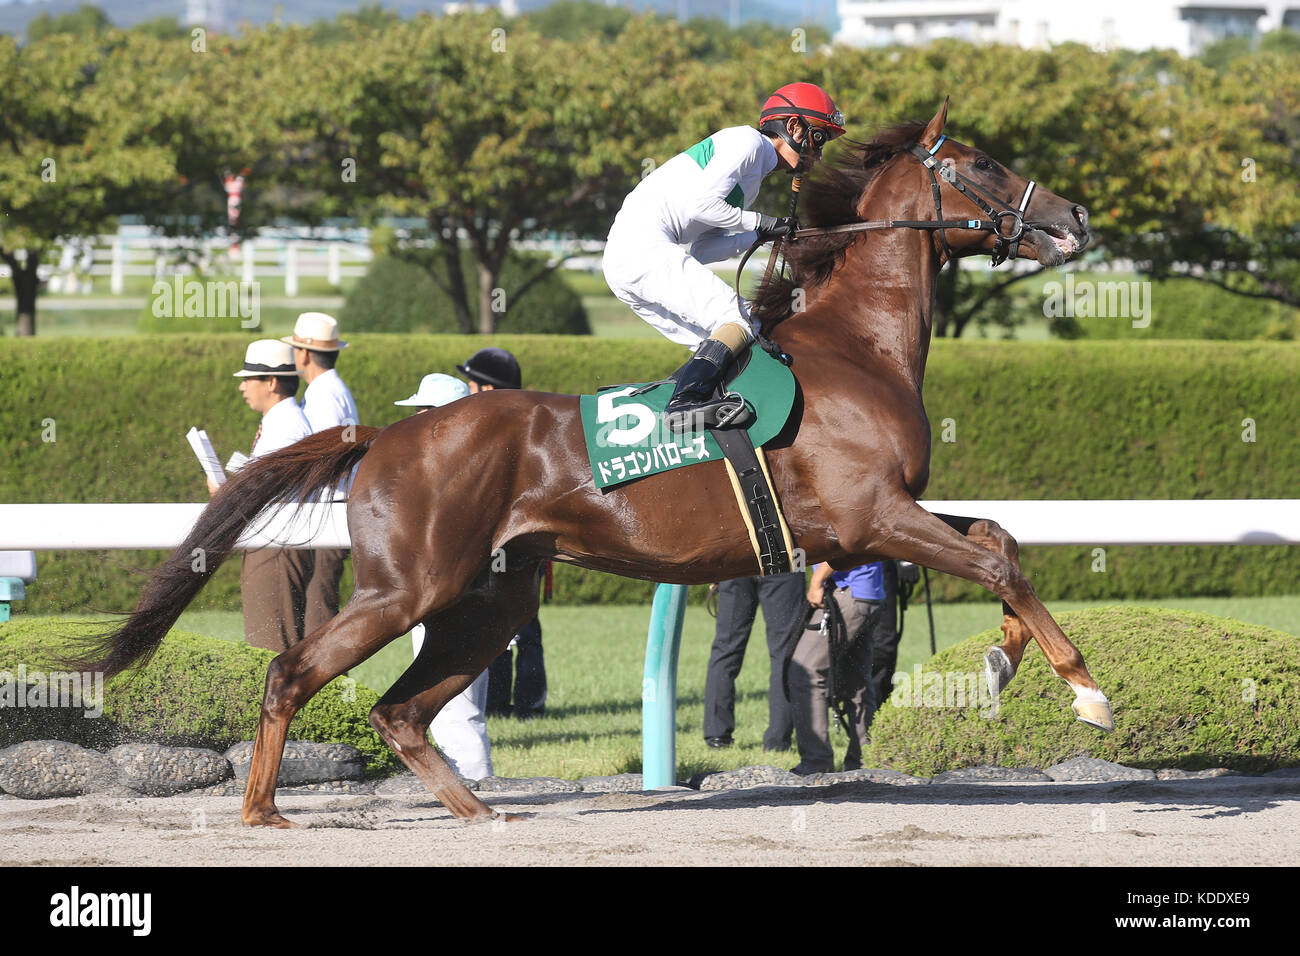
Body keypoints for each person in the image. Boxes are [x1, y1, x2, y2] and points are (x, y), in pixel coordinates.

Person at [602, 82, 845, 429]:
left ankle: (693, 413)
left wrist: (759, 234)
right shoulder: (745, 143)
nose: (818, 155)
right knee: (738, 317)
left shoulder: (753, 180)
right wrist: (762, 221)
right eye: (819, 138)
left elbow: (703, 249)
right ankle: (682, 407)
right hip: (641, 248)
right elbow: (699, 205)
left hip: (630, 261)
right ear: (793, 127)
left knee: (725, 340)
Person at [395, 372, 494, 780]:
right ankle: (473, 782)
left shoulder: (453, 471)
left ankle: (476, 785)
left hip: (454, 600)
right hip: (468, 597)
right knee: (458, 705)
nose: (414, 420)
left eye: (421, 412)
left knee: (456, 708)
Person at [456, 347, 547, 719]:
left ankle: (510, 703)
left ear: (488, 389)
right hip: (523, 532)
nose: (468, 391)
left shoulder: (500, 424)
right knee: (520, 621)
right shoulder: (526, 418)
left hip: (509, 533)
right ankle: (523, 702)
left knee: (506, 618)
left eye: (472, 384)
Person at [220, 339, 313, 652]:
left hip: (278, 543)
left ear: (271, 382)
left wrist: (226, 491)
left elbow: (267, 490)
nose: (242, 387)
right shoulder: (282, 421)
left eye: (249, 379)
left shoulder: (287, 425)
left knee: (270, 647)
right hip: (274, 541)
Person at [281, 311, 359, 639]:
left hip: (328, 509)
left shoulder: (324, 395)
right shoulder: (330, 390)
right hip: (332, 506)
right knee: (317, 603)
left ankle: (327, 685)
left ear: (304, 354)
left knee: (318, 609)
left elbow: (327, 458)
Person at [789, 560, 885, 775]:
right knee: (856, 682)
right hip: (868, 593)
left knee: (804, 671)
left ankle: (816, 763)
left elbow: (845, 547)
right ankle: (864, 761)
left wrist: (816, 580)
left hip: (848, 592)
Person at [702, 572, 806, 750]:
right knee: (785, 652)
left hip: (738, 559)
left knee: (726, 648)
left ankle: (716, 736)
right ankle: (778, 740)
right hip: (784, 558)